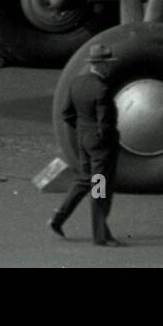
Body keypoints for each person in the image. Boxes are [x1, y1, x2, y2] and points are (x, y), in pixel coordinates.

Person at [50, 42, 125, 246]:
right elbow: (106, 123)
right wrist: (105, 140)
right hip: (101, 146)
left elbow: (67, 113)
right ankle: (100, 236)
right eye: (107, 63)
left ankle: (59, 217)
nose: (109, 67)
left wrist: (85, 131)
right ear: (99, 65)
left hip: (83, 139)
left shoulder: (77, 83)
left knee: (84, 180)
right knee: (100, 188)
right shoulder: (102, 89)